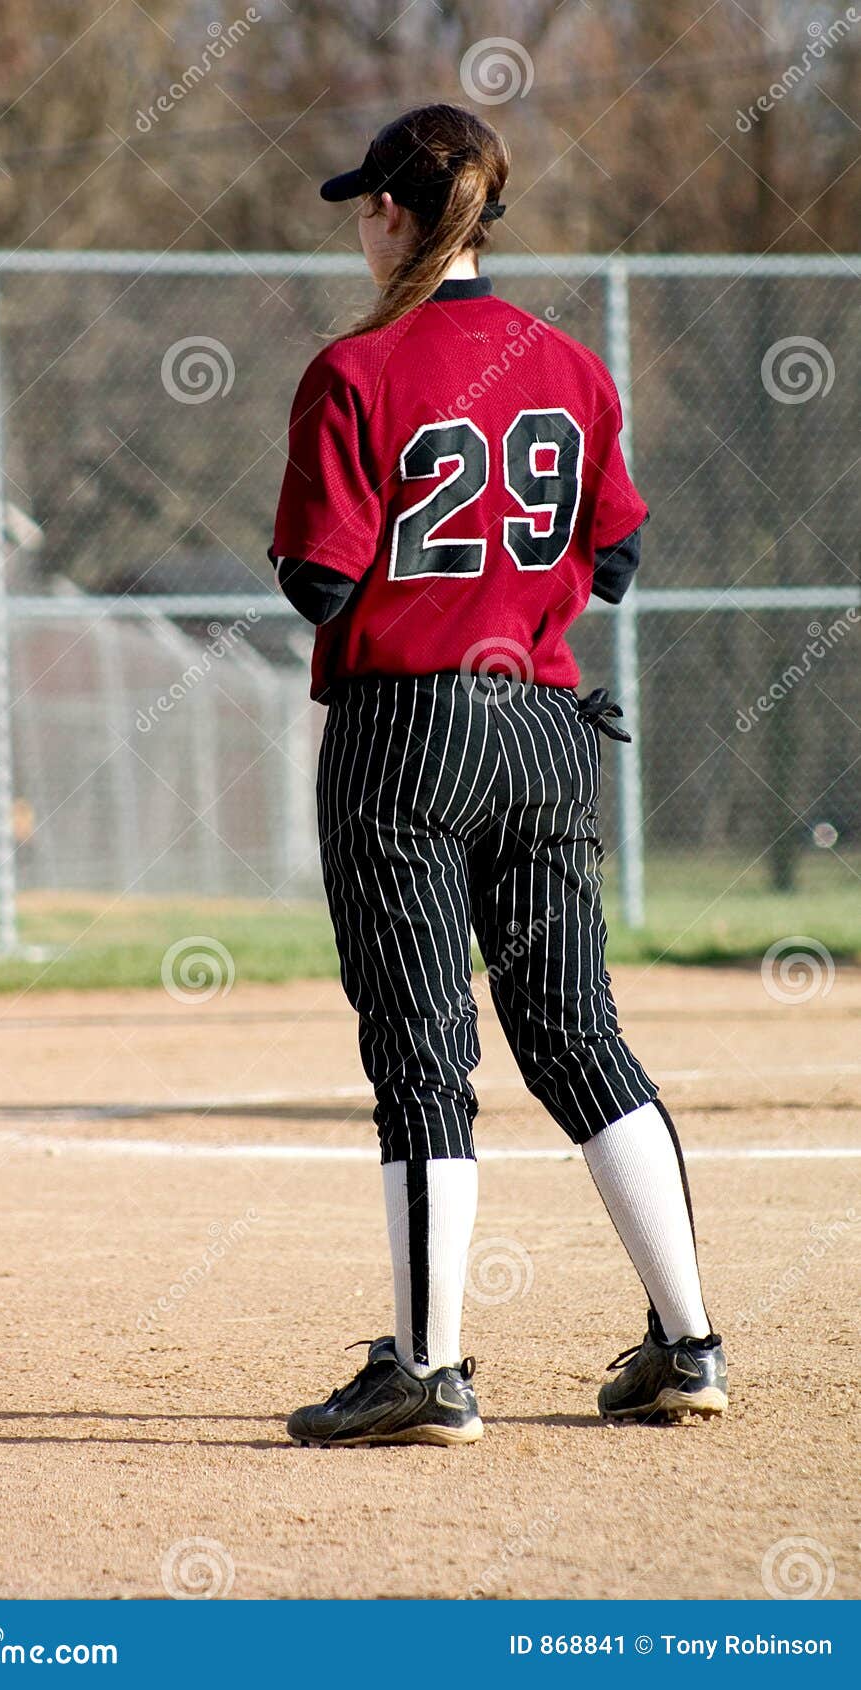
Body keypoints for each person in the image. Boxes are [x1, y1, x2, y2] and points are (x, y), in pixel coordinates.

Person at [270, 103, 727, 1446]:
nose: (362, 227)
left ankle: (427, 1366)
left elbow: (320, 578)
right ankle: (689, 1341)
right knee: (578, 1034)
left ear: (398, 219)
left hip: (405, 730)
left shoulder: (356, 370)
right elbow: (620, 557)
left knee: (423, 1050)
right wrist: (519, 600)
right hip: (538, 720)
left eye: (367, 207)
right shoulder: (569, 364)